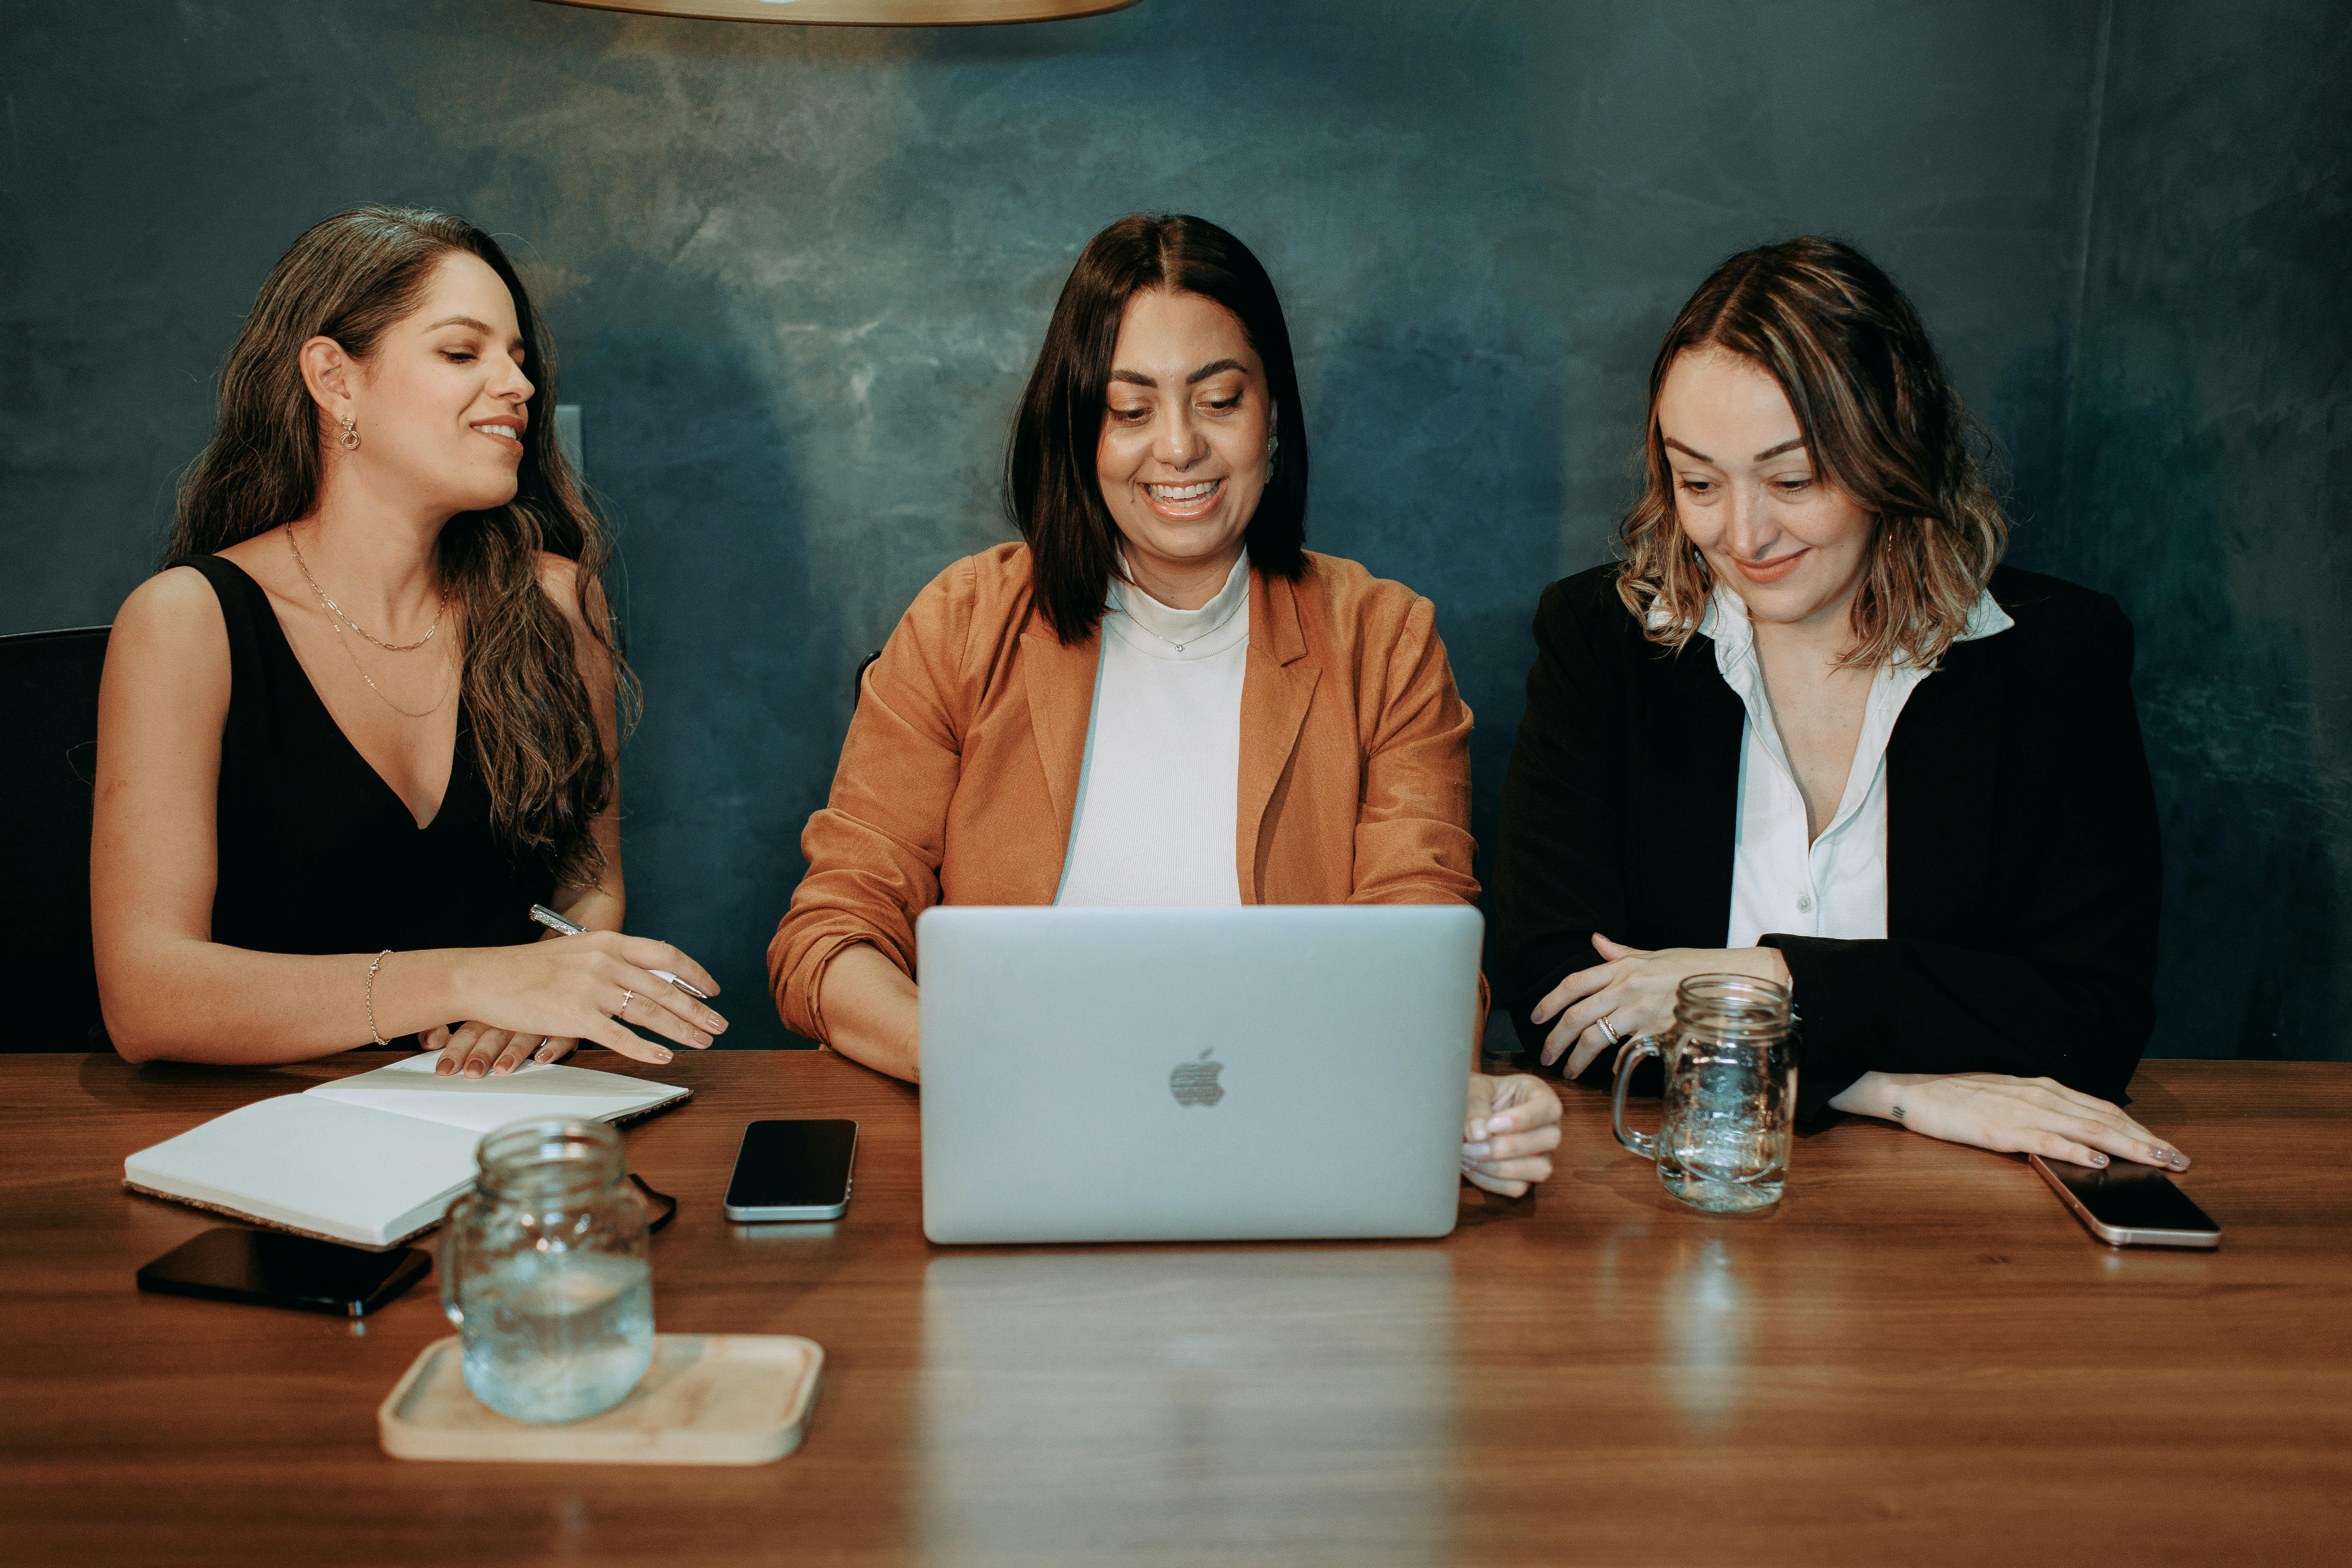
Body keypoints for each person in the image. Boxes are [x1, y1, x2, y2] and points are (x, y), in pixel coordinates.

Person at [770, 214, 1559, 1196]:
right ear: (1079, 429)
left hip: (1291, 1156)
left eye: (1219, 399)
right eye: (1129, 409)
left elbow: (1421, 947)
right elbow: (828, 940)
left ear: (1273, 414)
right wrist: (981, 1060)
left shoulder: (1382, 640)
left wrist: (1445, 1095)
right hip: (1014, 1151)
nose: (1179, 447)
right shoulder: (961, 624)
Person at [1490, 236, 2183, 1173]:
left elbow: (2086, 1019)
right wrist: (1889, 1089)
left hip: (1955, 1237)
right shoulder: (1598, 639)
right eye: (1698, 483)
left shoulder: (2056, 657)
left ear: (1891, 446)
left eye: (1792, 479)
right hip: (1675, 1191)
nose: (1742, 533)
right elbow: (1563, 1001)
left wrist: (1747, 976)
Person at [93, 206, 724, 1076]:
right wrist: (474, 982)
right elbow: (146, 997)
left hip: (500, 1115)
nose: (519, 386)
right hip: (261, 1132)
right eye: (463, 353)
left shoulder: (556, 601)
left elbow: (589, 886)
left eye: (519, 359)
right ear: (334, 380)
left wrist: (539, 1008)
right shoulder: (185, 621)